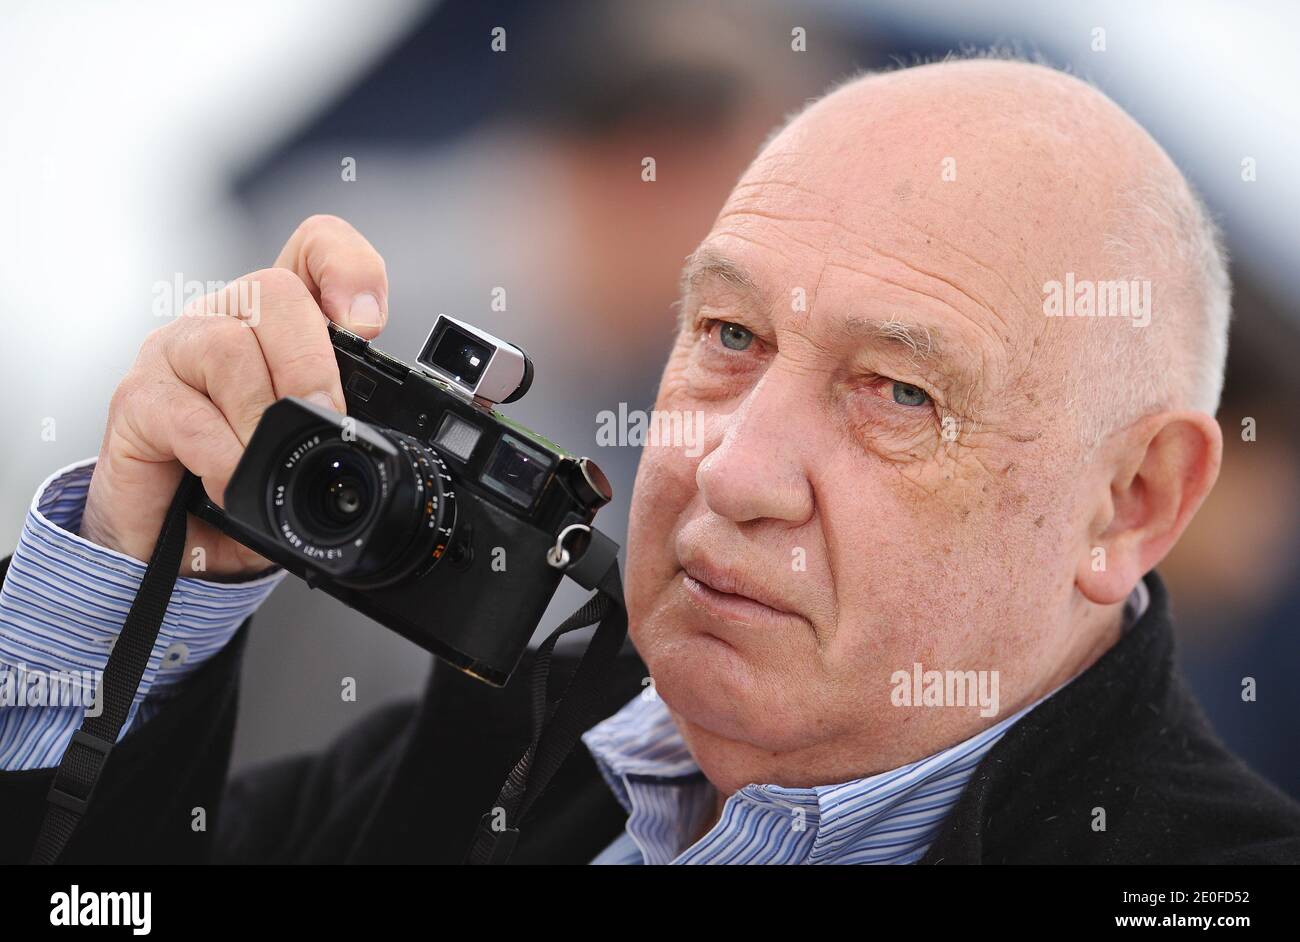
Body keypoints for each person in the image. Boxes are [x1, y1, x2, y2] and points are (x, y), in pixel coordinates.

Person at [2, 59, 1298, 864]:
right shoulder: (500, 748)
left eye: (899, 392)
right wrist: (128, 587)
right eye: (727, 334)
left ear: (1130, 504)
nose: (731, 472)